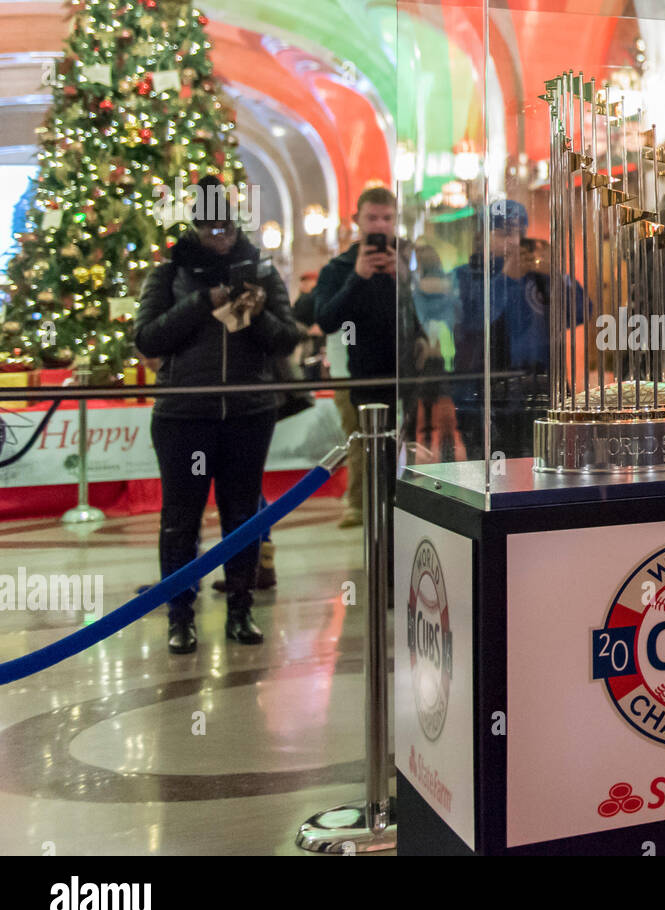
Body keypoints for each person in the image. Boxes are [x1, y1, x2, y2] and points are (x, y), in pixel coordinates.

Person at [135, 177, 300, 654]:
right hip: (184, 414)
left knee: (242, 514)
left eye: (226, 226)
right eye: (210, 227)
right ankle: (180, 616)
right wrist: (200, 303)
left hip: (248, 414)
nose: (221, 235)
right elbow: (147, 339)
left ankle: (241, 610)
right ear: (195, 227)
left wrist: (251, 309)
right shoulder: (169, 274)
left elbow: (286, 341)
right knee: (180, 518)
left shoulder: (260, 274)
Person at [314, 186, 431, 524]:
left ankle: (403, 509)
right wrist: (358, 278)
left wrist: (404, 280)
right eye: (372, 218)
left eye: (387, 218)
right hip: (361, 378)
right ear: (358, 221)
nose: (380, 225)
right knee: (364, 448)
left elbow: (436, 312)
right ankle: (364, 509)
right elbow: (326, 319)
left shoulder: (410, 262)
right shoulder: (339, 268)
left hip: (408, 377)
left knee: (405, 448)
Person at [449, 200, 565, 457]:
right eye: (502, 232)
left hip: (538, 394)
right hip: (481, 398)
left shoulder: (536, 276)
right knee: (489, 477)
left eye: (517, 233)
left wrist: (557, 276)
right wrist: (508, 279)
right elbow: (475, 322)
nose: (513, 241)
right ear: (482, 236)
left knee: (541, 474)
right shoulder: (463, 276)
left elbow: (581, 311)